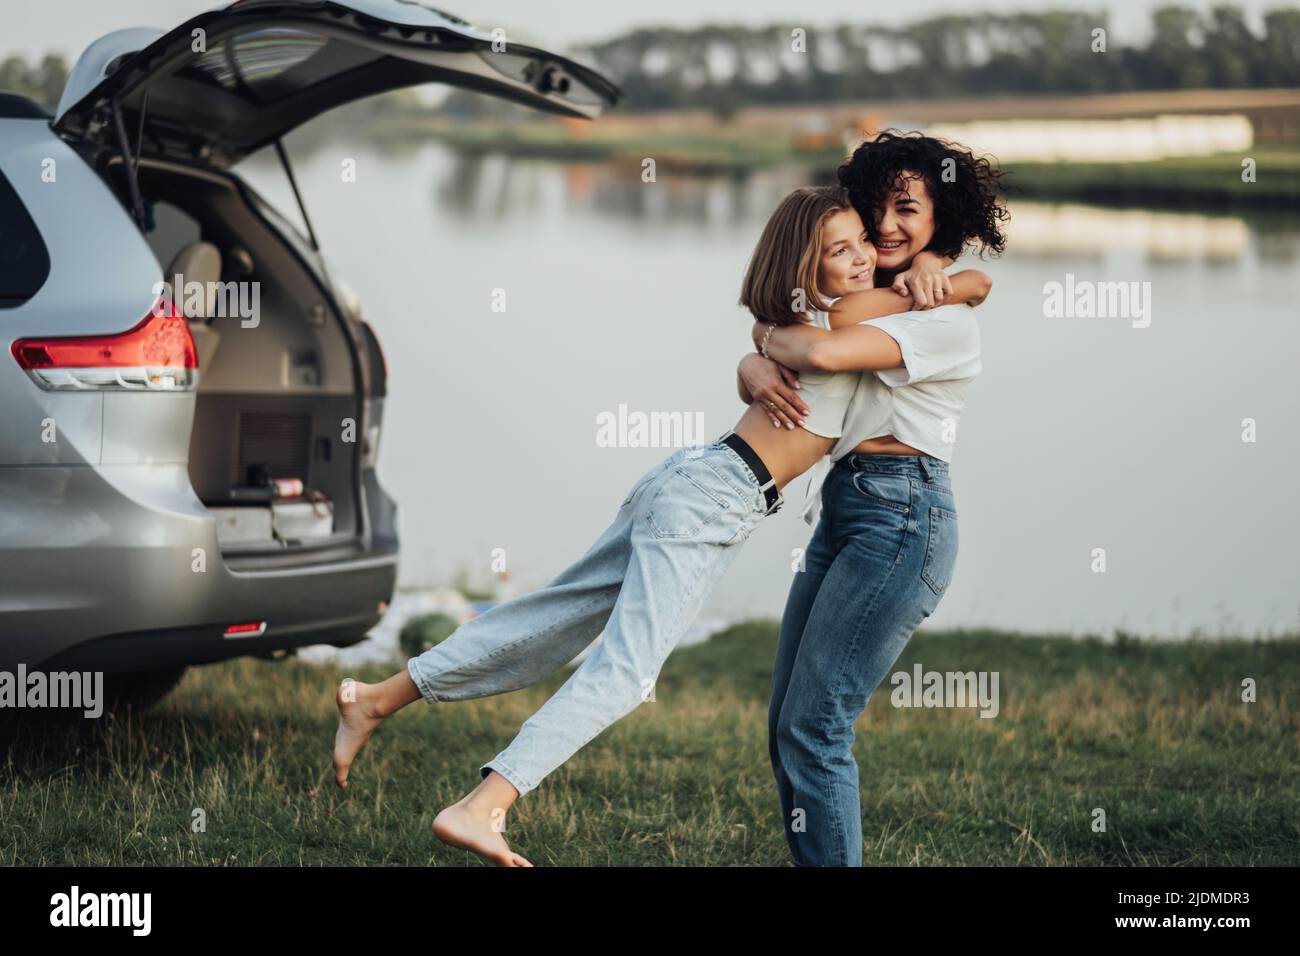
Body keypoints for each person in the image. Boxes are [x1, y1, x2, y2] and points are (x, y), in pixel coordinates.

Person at [331, 183, 992, 866]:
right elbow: (826, 342)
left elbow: (797, 337)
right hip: (714, 498)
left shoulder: (831, 313)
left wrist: (768, 345)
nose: (863, 252)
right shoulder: (843, 314)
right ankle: (483, 805)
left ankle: (379, 698)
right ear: (806, 268)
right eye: (841, 248)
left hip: (695, 477)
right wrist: (964, 281)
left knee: (558, 615)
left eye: (868, 240)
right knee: (626, 672)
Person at [737, 130, 1008, 866]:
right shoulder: (880, 300)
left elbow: (820, 349)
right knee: (785, 725)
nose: (885, 226)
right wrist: (752, 360)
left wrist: (763, 339)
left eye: (908, 209)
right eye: (875, 209)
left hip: (903, 514)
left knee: (817, 726)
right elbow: (811, 335)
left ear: (941, 218)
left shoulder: (946, 320)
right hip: (848, 510)